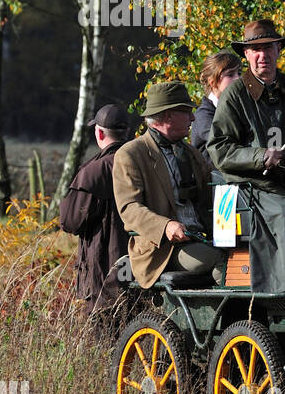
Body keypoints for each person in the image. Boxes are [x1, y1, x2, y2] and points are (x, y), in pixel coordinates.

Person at [206, 18, 285, 292]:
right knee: (283, 209)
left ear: (278, 50)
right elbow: (219, 148)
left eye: (268, 48)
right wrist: (261, 156)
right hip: (253, 183)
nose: (263, 55)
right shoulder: (235, 96)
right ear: (247, 55)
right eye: (256, 50)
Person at [113, 81, 227, 288]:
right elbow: (129, 209)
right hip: (162, 249)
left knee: (245, 254)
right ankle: (234, 317)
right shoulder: (131, 154)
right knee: (224, 261)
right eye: (186, 111)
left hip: (199, 239)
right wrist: (165, 226)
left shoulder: (191, 153)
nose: (193, 118)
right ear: (167, 116)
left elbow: (211, 195)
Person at [57, 104, 132, 314]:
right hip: (142, 267)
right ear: (127, 132)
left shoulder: (94, 172)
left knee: (105, 336)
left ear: (99, 132)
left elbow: (70, 220)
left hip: (103, 273)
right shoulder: (143, 162)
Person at [192, 48, 241, 162]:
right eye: (230, 74)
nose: (238, 78)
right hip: (214, 178)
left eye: (239, 73)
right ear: (212, 81)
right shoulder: (203, 115)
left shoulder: (238, 108)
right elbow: (224, 146)